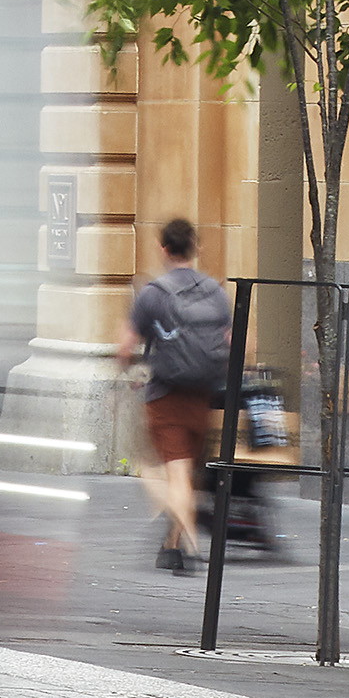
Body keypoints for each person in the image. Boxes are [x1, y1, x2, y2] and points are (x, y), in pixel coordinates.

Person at [119, 218, 232, 574]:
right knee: (188, 473)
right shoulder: (215, 291)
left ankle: (192, 545)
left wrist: (128, 372)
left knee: (169, 472)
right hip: (203, 395)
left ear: (163, 249)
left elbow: (125, 346)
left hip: (166, 396)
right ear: (196, 248)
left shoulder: (153, 293)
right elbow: (233, 342)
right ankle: (171, 545)